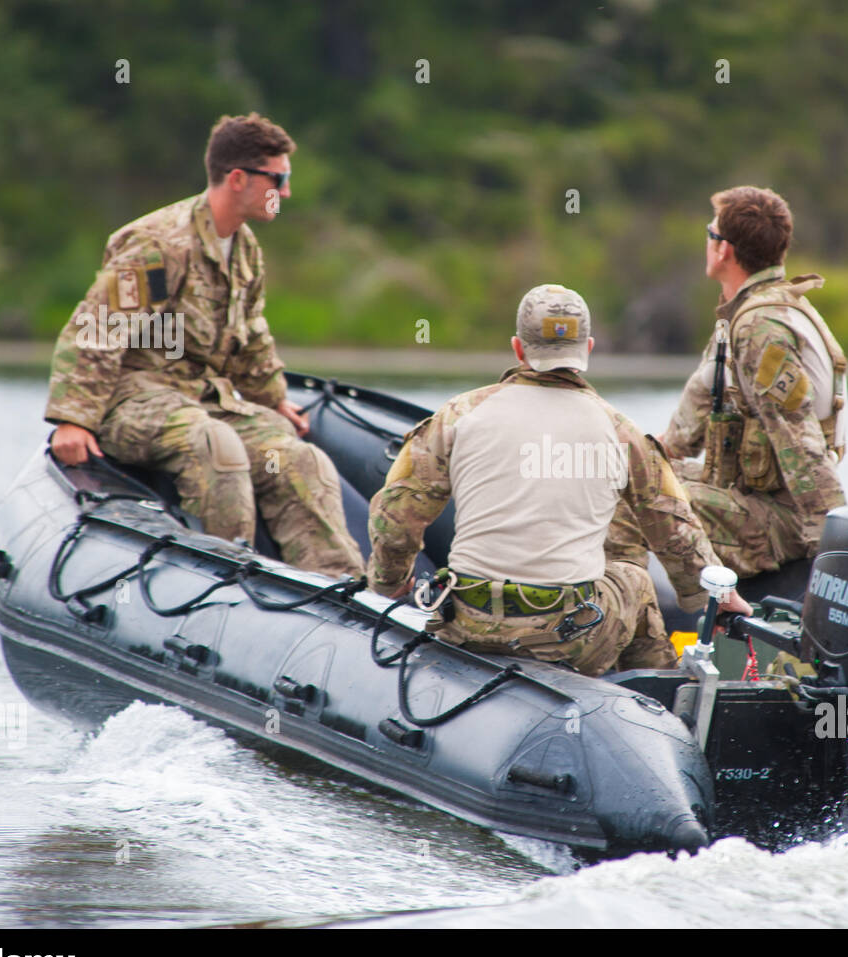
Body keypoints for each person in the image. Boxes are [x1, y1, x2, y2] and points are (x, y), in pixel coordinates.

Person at [367, 284, 751, 677]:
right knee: (634, 579)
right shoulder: (622, 432)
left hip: (464, 623)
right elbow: (675, 532)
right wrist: (712, 597)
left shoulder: (457, 416)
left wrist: (389, 582)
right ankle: (655, 704)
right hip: (566, 637)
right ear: (589, 349)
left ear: (518, 348)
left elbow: (394, 516)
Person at [43, 113, 364, 578]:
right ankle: (226, 582)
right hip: (135, 400)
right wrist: (72, 419)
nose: (287, 192)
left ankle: (340, 589)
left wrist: (272, 399)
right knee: (216, 446)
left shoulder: (245, 248)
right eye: (280, 179)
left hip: (201, 397)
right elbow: (97, 328)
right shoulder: (160, 245)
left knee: (296, 458)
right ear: (238, 179)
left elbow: (251, 335)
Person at [652, 185, 848, 577]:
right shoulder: (743, 315)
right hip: (748, 503)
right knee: (623, 478)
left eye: (710, 235)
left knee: (636, 496)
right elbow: (679, 438)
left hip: (778, 524)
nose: (706, 244)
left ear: (723, 249)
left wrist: (837, 557)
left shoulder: (761, 328)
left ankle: (634, 627)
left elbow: (801, 449)